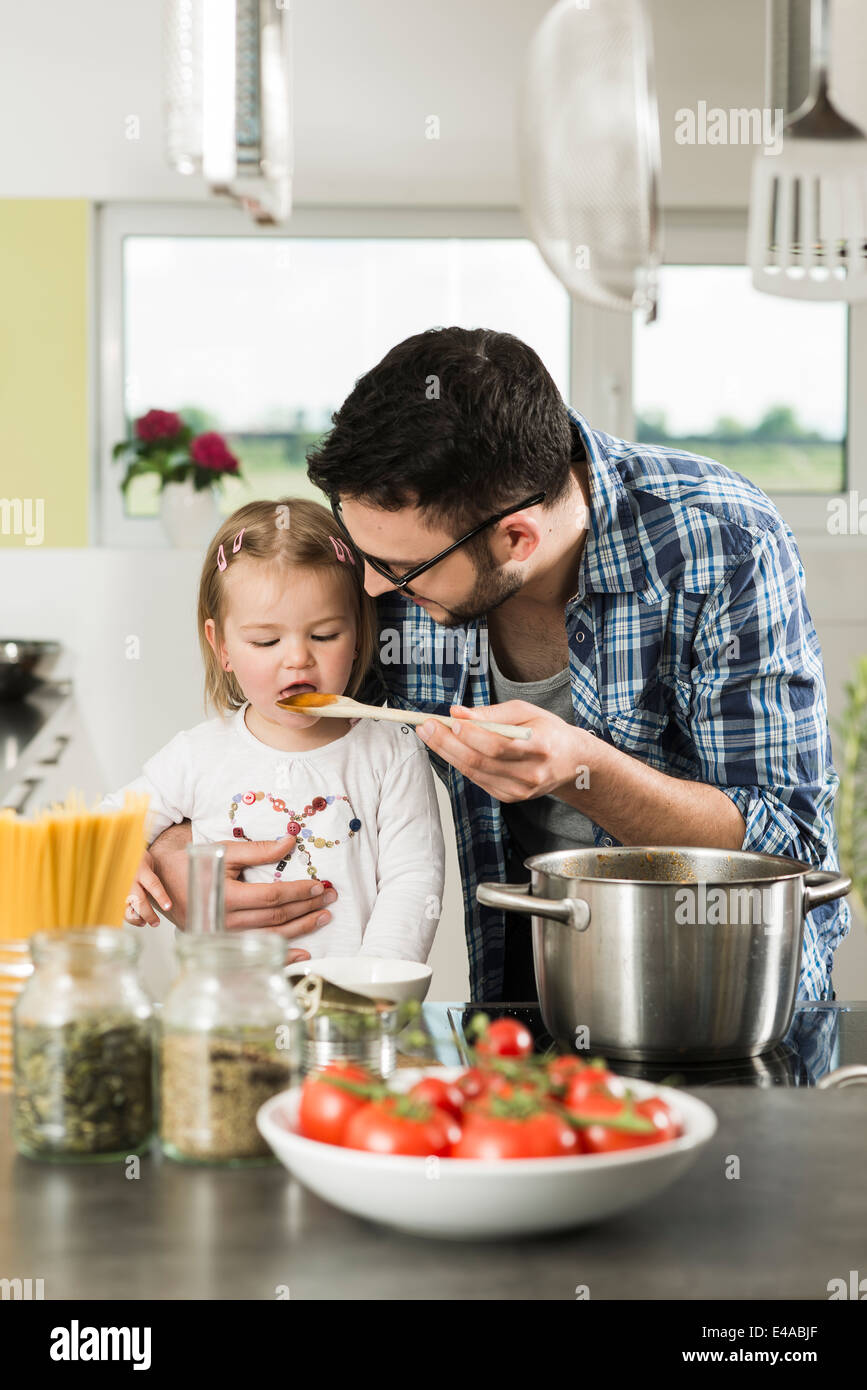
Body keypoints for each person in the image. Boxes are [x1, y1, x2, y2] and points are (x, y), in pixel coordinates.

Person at [101, 497, 444, 966]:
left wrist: (368, 989)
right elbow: (106, 826)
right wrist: (123, 861)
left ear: (360, 633)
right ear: (220, 645)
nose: (298, 658)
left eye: (324, 636)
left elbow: (413, 884)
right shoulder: (198, 755)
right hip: (228, 1009)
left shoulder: (393, 753)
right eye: (266, 641)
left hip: (348, 1012)